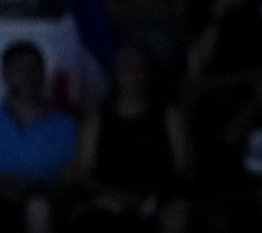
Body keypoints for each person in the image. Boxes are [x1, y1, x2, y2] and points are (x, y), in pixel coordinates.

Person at [0, 41, 76, 233]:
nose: (28, 75)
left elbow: (70, 179)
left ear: (43, 73)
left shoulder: (65, 125)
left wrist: (33, 187)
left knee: (38, 207)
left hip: (43, 197)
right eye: (19, 68)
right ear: (5, 74)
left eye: (34, 68)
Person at [72, 44, 190, 233]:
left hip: (157, 196)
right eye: (126, 66)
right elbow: (83, 171)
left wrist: (153, 197)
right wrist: (117, 196)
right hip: (107, 197)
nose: (132, 72)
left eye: (139, 67)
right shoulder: (97, 118)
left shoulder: (168, 115)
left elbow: (181, 168)